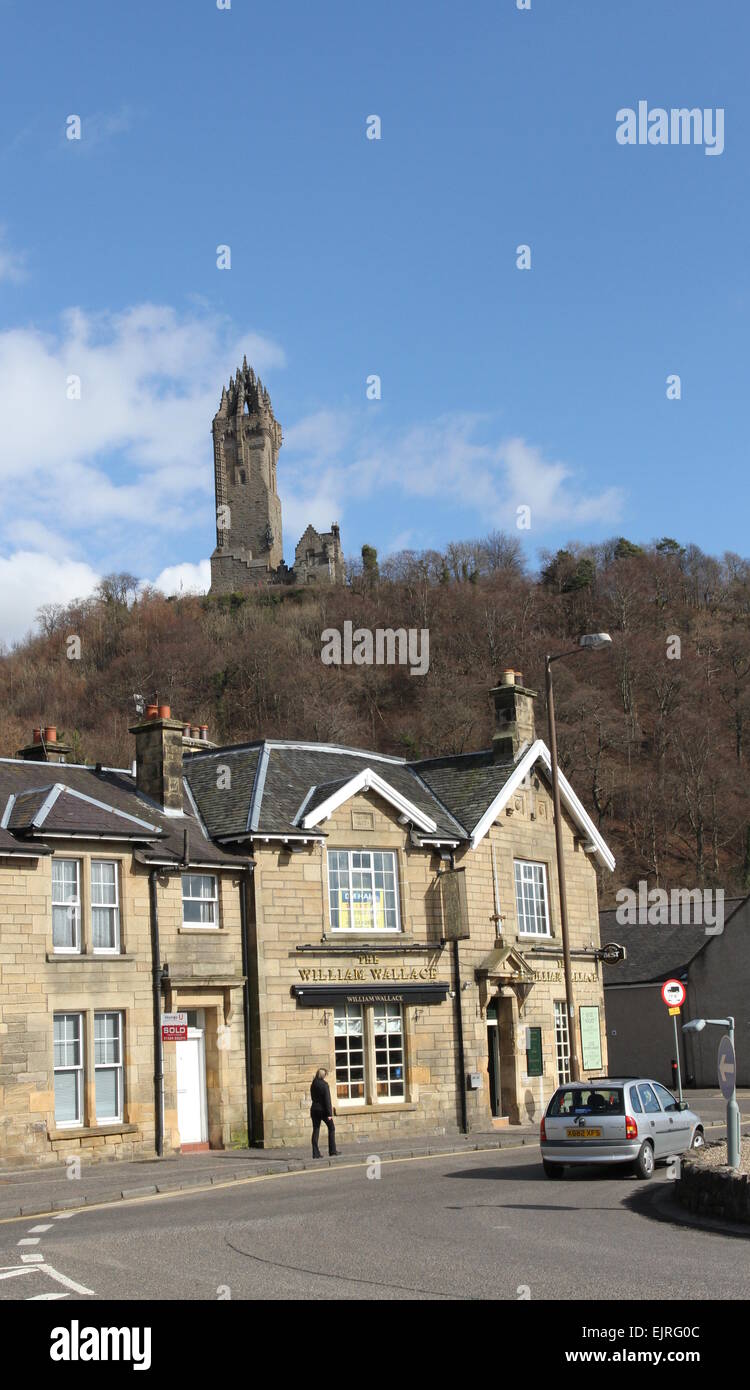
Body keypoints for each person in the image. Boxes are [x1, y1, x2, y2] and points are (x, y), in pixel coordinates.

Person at [310, 1067, 339, 1158]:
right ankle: (332, 1151)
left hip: (314, 1109)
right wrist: (330, 1114)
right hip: (323, 1111)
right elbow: (327, 1100)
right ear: (323, 1075)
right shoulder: (324, 1085)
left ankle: (315, 1153)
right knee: (332, 1128)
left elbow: (313, 1097)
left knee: (316, 1130)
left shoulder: (313, 1084)